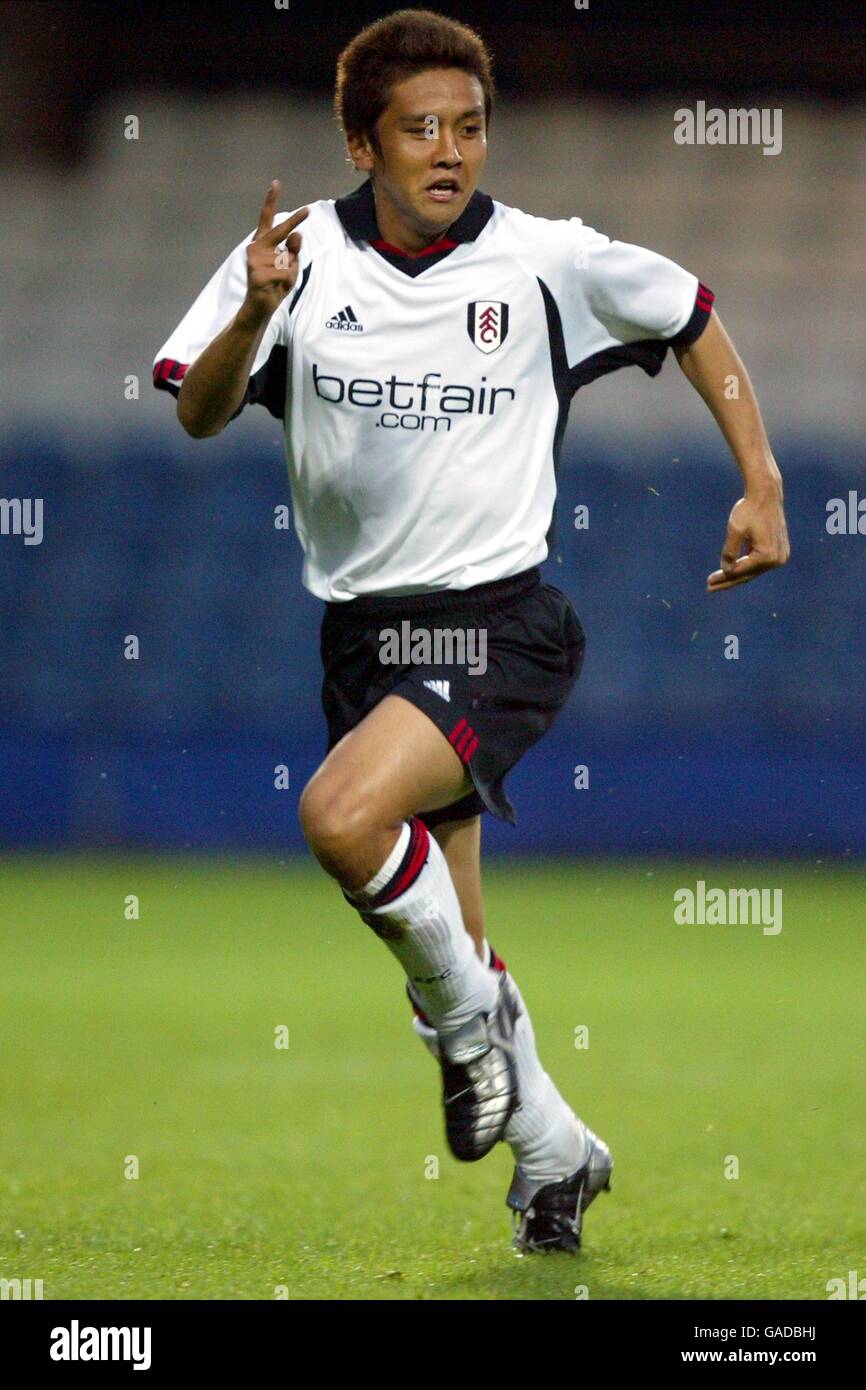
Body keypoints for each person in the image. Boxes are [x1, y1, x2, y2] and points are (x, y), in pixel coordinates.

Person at [153, 8, 789, 1253]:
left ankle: (470, 1038)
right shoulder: (286, 265)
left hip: (498, 622)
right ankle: (555, 1154)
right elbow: (199, 412)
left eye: (470, 126)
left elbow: (688, 313)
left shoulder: (544, 260)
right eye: (419, 128)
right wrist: (252, 313)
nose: (450, 151)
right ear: (360, 142)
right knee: (449, 940)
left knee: (340, 819)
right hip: (360, 638)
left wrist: (759, 480)